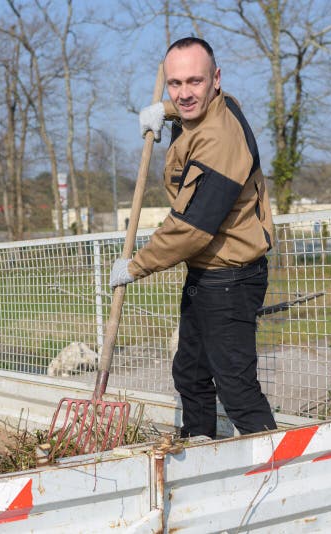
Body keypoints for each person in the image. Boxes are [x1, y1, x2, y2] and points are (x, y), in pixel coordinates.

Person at [109, 37, 276, 440]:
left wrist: (136, 265)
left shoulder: (219, 140)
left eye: (195, 82)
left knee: (236, 388)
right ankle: (202, 452)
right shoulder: (217, 105)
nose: (184, 93)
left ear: (215, 79)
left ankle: (280, 471)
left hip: (230, 278)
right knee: (191, 373)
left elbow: (191, 228)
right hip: (208, 274)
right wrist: (163, 113)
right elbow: (189, 106)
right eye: (175, 83)